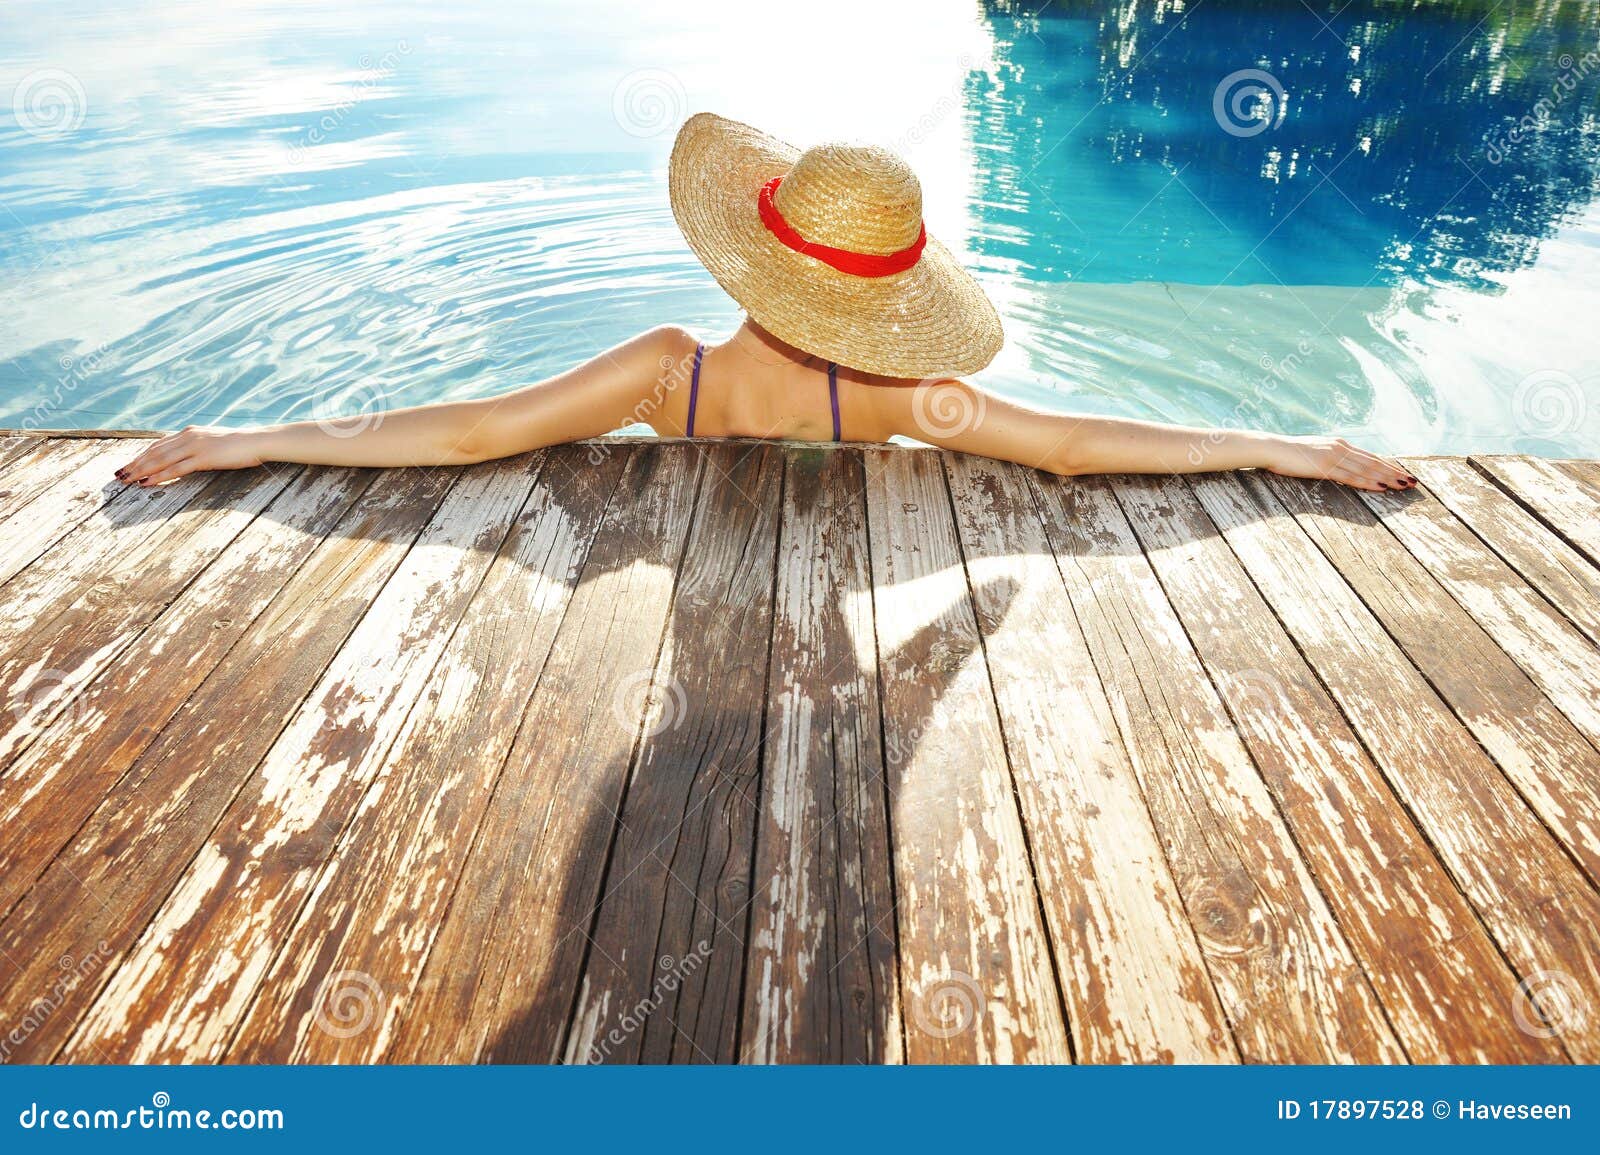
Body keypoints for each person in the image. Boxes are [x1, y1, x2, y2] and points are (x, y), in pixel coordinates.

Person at [115, 112, 1418, 493]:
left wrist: (253, 437)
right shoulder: (905, 402)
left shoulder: (665, 373)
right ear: (890, 293)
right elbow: (1078, 447)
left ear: (752, 253)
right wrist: (1279, 448)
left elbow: (467, 435)